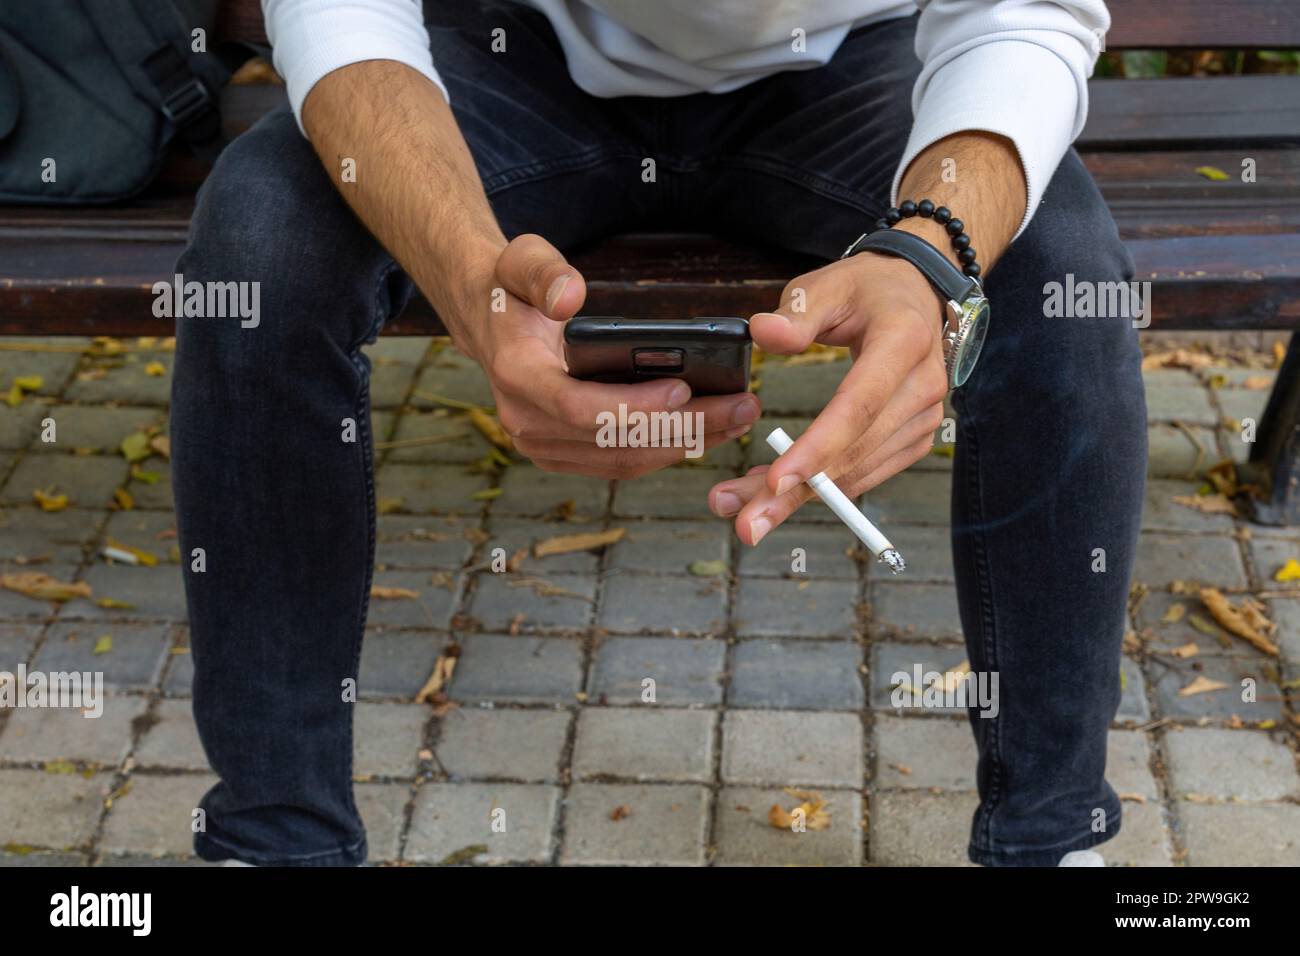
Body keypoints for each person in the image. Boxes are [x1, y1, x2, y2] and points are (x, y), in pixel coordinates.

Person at [172, 0, 1145, 867]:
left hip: (847, 68)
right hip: (513, 46)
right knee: (265, 236)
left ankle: (1045, 834)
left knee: (1057, 255)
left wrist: (928, 260)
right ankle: (276, 837)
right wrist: (470, 277)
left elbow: (1018, 13)